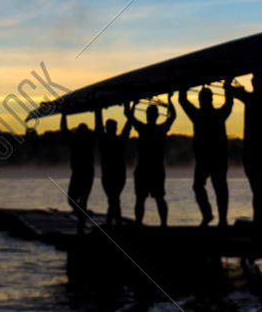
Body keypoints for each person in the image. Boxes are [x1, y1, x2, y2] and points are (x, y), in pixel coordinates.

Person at [227, 69, 262, 233]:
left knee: (257, 188)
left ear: (255, 83)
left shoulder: (251, 98)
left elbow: (229, 90)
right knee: (258, 188)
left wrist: (229, 80)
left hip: (253, 150)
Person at [179, 85, 234, 226]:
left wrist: (183, 86)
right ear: (211, 99)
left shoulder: (198, 115)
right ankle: (216, 218)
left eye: (202, 99)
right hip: (212, 159)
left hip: (209, 159)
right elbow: (229, 102)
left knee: (213, 188)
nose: (201, 101)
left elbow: (182, 100)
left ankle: (215, 217)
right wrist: (227, 86)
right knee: (216, 188)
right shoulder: (217, 115)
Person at [125, 98, 176, 226]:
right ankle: (162, 223)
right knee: (153, 198)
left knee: (145, 198)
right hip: (152, 168)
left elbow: (128, 114)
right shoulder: (159, 129)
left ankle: (147, 223)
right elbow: (173, 116)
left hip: (147, 168)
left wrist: (134, 103)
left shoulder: (144, 128)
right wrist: (170, 101)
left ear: (148, 115)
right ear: (156, 115)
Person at [95, 107, 132, 225]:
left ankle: (112, 223)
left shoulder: (110, 140)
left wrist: (98, 110)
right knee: (114, 200)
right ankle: (115, 223)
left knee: (113, 199)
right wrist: (98, 111)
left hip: (116, 176)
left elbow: (128, 126)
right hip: (112, 176)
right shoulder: (109, 140)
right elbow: (128, 126)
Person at [60, 112, 96, 232]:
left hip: (85, 174)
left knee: (81, 199)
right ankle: (82, 216)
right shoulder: (76, 140)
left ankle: (81, 222)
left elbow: (64, 130)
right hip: (79, 174)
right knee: (73, 199)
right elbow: (64, 130)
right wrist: (64, 115)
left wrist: (64, 115)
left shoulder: (88, 141)